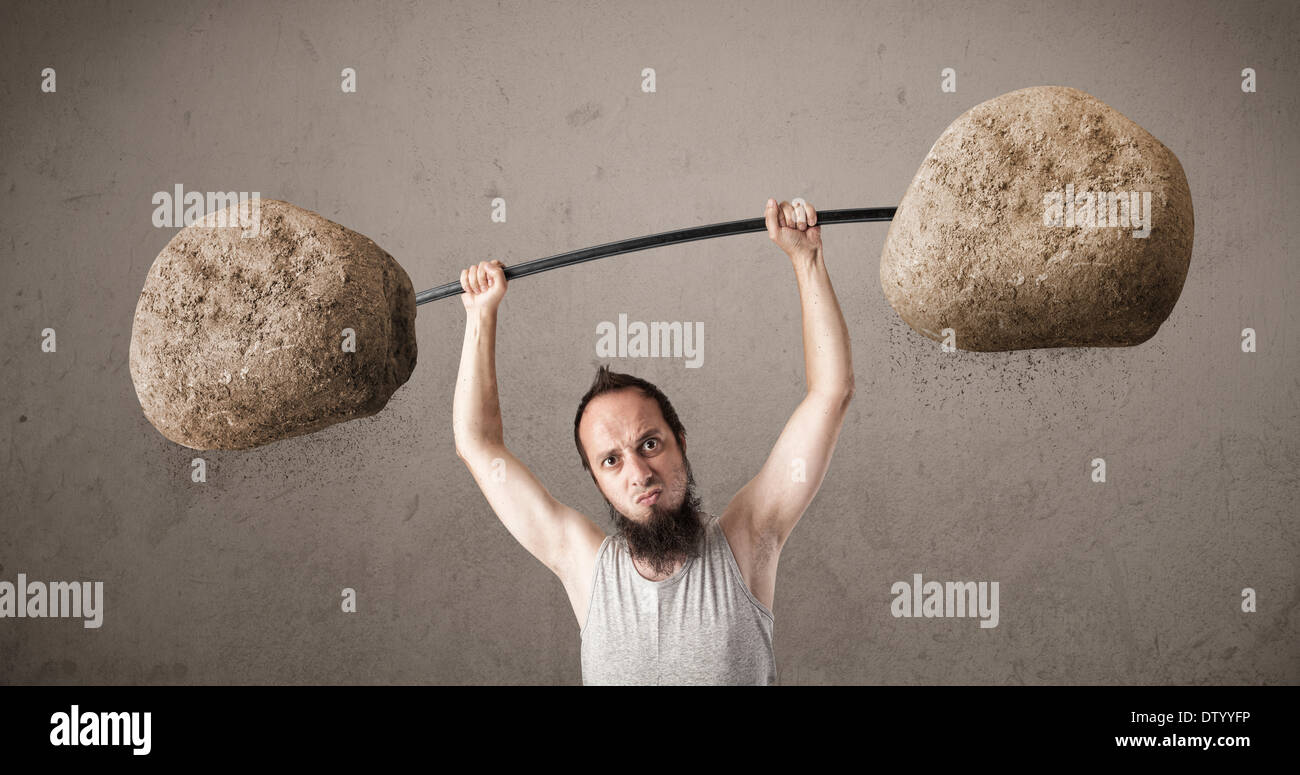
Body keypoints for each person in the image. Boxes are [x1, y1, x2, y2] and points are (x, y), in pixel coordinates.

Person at [453, 198, 854, 684]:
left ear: (679, 441)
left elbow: (830, 393)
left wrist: (806, 260)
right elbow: (478, 446)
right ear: (596, 480)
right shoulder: (585, 567)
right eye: (611, 461)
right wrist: (480, 313)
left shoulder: (748, 542)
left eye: (649, 444)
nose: (640, 474)